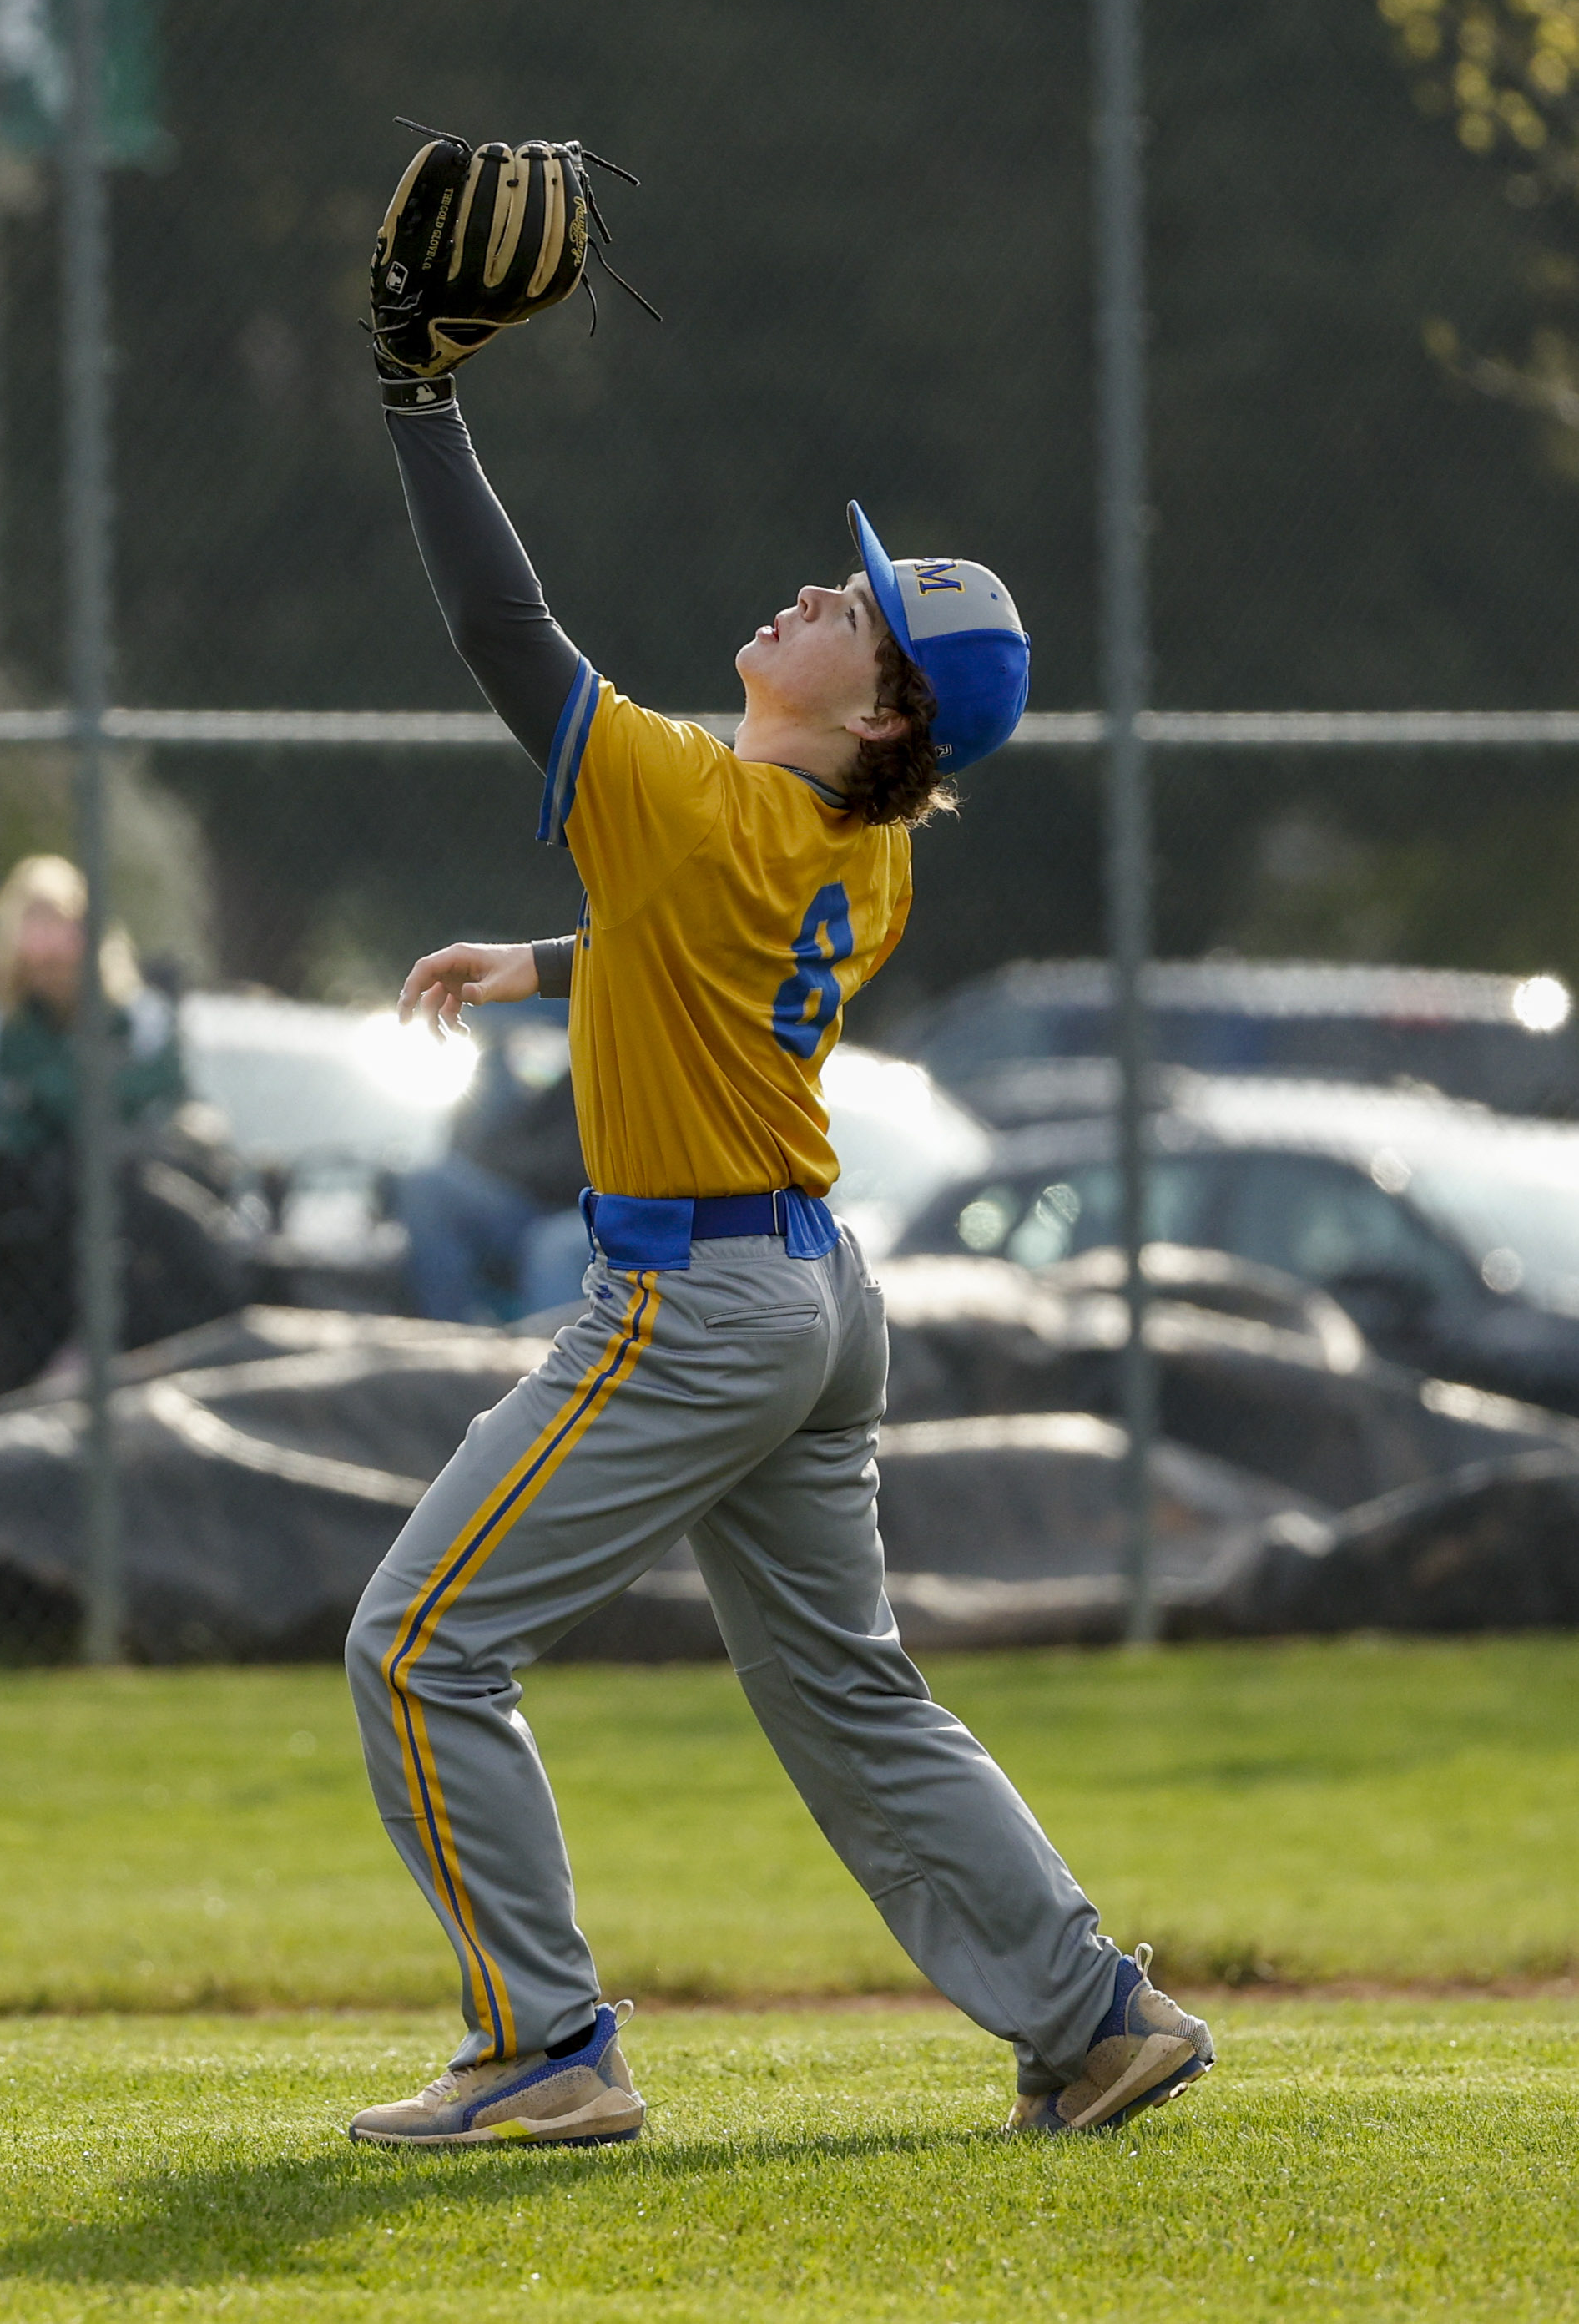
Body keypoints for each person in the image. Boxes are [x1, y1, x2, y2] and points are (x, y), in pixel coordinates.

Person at [341, 215, 1215, 2150]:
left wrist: (419, 392)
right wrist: (547, 959)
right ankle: (1090, 2008)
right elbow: (704, 941)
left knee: (416, 1643)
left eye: (862, 608)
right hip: (818, 1302)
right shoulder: (863, 846)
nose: (825, 586)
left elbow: (507, 632)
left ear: (886, 711)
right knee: (855, 1694)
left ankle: (544, 2041)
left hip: (692, 1304)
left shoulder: (687, 798)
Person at [0, 854, 247, 1402]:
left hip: (134, 1184)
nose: (50, 957)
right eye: (33, 934)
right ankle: (74, 1354)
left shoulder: (141, 1014)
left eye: (62, 933)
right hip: (29, 1199)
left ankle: (144, 1350)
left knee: (153, 1206)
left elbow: (157, 1092)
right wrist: (67, 1095)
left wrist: (43, 1092)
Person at [392, 1003, 590, 1324]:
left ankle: (548, 1364)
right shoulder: (566, 1071)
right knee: (427, 1183)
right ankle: (451, 1339)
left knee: (554, 1246)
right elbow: (499, 1150)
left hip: (593, 1214)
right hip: (525, 1205)